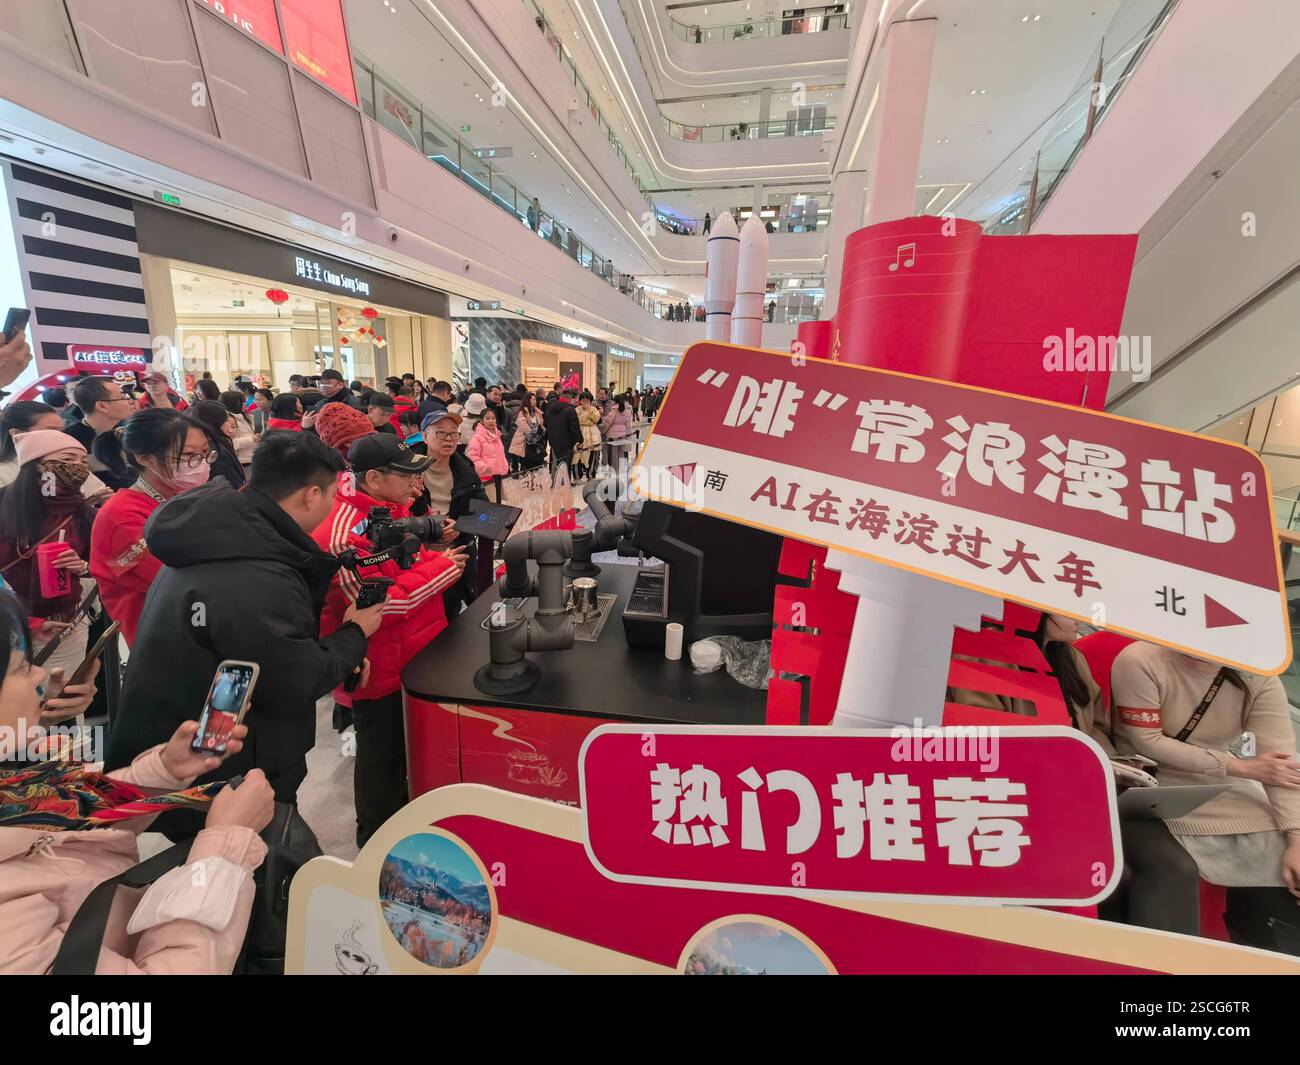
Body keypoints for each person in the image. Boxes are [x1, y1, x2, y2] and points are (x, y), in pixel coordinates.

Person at [106, 431, 383, 829]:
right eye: (331, 495)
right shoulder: (255, 571)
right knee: (248, 866)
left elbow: (267, 647)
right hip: (223, 764)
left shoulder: (220, 532)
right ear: (310, 495)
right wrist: (355, 634)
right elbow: (292, 679)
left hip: (184, 736)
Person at [0, 589, 275, 974]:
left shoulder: (16, 778)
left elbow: (70, 822)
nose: (43, 674)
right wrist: (225, 848)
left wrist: (163, 770)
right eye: (20, 667)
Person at [312, 435, 465, 845]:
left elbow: (413, 559)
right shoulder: (344, 531)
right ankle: (375, 841)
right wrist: (446, 571)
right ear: (374, 477)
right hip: (377, 665)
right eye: (406, 475)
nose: (415, 483)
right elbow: (380, 605)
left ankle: (403, 826)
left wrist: (435, 556)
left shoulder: (387, 510)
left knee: (407, 751)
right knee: (381, 756)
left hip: (415, 650)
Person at [1112, 642, 1300, 954]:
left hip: (1222, 786)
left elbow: (1279, 767)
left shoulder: (1260, 679)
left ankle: (1272, 952)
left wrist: (1296, 837)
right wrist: (1238, 767)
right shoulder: (1139, 659)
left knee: (1283, 850)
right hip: (1145, 779)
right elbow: (1147, 741)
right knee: (1171, 865)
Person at [89, 409, 215, 648]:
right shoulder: (121, 517)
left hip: (198, 626)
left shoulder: (182, 496)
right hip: (163, 639)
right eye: (187, 455)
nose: (200, 464)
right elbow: (177, 582)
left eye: (205, 453)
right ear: (144, 458)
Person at [0, 431, 95, 676]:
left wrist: (83, 567)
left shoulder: (83, 513)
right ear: (37, 465)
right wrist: (27, 623)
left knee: (55, 701)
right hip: (7, 625)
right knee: (13, 706)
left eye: (82, 461)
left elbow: (103, 566)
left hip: (62, 626)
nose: (78, 467)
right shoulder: (5, 508)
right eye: (68, 459)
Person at [420, 409, 486, 615]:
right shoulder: (408, 471)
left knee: (451, 612)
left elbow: (484, 511)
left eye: (453, 433)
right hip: (419, 559)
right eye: (440, 433)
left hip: (456, 556)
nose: (448, 439)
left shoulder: (465, 469)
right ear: (425, 436)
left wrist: (460, 526)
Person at [0, 401, 108, 497]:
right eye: (51, 430)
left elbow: (99, 491)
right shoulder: (3, 473)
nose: (60, 436)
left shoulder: (68, 460)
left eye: (61, 431)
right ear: (17, 434)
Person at [66, 376, 136, 490]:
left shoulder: (127, 432)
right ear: (102, 406)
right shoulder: (71, 442)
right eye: (123, 396)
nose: (130, 401)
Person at [190, 400, 246, 487]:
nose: (229, 424)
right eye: (226, 420)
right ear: (217, 423)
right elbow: (231, 482)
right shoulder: (215, 451)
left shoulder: (206, 444)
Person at [544, 388, 582, 475]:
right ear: (570, 398)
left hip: (553, 442)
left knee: (555, 465)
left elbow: (545, 423)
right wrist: (580, 440)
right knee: (565, 466)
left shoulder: (550, 408)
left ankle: (555, 483)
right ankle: (564, 485)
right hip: (567, 443)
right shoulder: (570, 409)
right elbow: (575, 427)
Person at [467, 407, 509, 484]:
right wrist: (483, 466)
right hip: (487, 475)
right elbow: (472, 454)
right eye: (487, 418)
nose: (491, 421)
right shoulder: (478, 436)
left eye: (493, 418)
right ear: (481, 420)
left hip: (501, 473)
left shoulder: (497, 435)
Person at [507, 391, 545, 471]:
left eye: (535, 400)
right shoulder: (523, 411)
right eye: (533, 400)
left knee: (536, 462)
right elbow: (522, 424)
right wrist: (531, 432)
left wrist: (541, 429)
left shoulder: (537, 412)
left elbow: (540, 423)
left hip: (536, 440)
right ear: (528, 400)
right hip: (524, 439)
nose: (535, 401)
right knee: (526, 462)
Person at [219, 391, 257, 466]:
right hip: (241, 461)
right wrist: (252, 439)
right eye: (242, 402)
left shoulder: (243, 417)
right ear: (233, 403)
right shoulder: (228, 420)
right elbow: (229, 443)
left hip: (250, 458)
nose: (245, 404)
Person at [573, 391, 602, 480]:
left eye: (587, 401)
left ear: (590, 401)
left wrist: (589, 411)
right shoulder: (577, 409)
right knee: (577, 456)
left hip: (593, 435)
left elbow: (597, 419)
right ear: (580, 401)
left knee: (592, 456)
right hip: (580, 433)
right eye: (583, 400)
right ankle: (577, 477)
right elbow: (578, 420)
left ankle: (591, 476)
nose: (585, 402)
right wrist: (588, 418)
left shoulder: (593, 409)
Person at [600, 392, 632, 470]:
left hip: (613, 436)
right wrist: (628, 434)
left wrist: (603, 431)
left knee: (614, 455)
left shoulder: (614, 410)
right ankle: (622, 470)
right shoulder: (627, 410)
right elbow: (628, 423)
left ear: (614, 401)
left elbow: (607, 423)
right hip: (623, 435)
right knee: (622, 454)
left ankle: (616, 470)